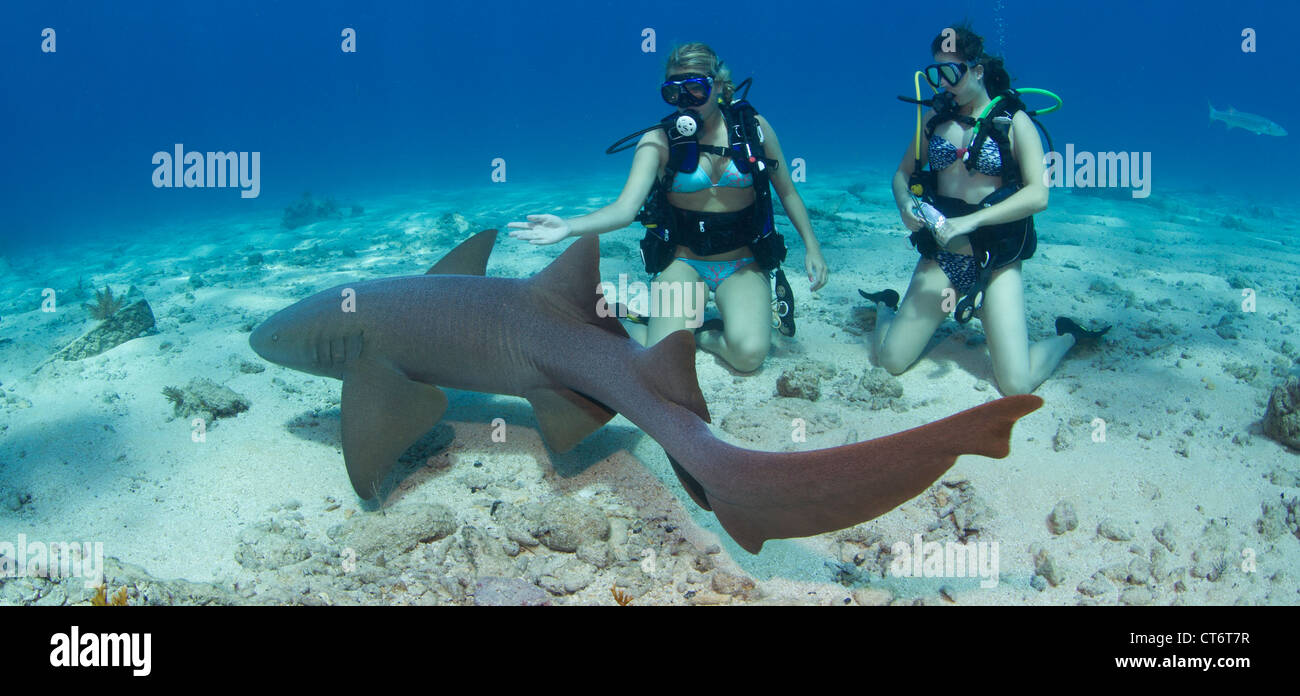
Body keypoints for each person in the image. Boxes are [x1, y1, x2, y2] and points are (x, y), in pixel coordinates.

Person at [508, 42, 827, 373]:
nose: (686, 101)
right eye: (674, 93)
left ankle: (701, 334)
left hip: (743, 263)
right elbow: (624, 209)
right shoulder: (657, 141)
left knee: (748, 355)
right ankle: (639, 321)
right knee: (661, 358)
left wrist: (812, 247)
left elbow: (787, 191)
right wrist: (569, 227)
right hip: (683, 262)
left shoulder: (753, 130)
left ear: (719, 84)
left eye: (695, 88)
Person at [860, 24, 1107, 395]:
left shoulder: (1015, 123)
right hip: (943, 257)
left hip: (995, 263)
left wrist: (970, 221)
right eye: (934, 73)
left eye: (950, 72)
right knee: (891, 360)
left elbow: (1039, 195)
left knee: (1016, 385)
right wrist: (904, 203)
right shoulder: (934, 122)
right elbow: (902, 174)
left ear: (977, 70)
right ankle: (885, 309)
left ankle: (1069, 336)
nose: (941, 83)